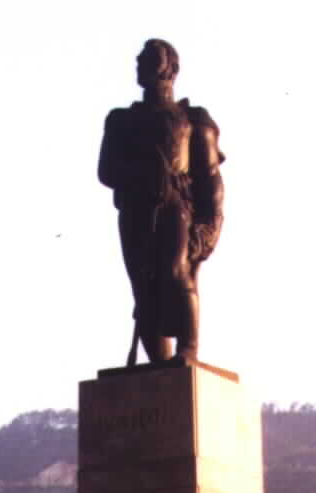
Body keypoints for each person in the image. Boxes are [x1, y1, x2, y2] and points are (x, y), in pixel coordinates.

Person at [98, 39, 225, 366]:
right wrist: (139, 174)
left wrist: (210, 227)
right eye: (139, 58)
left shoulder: (193, 119)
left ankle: (188, 350)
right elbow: (107, 171)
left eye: (149, 59)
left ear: (170, 69)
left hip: (176, 207)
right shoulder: (121, 121)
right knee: (143, 286)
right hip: (136, 210)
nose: (140, 63)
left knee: (175, 271)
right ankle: (159, 363)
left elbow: (210, 178)